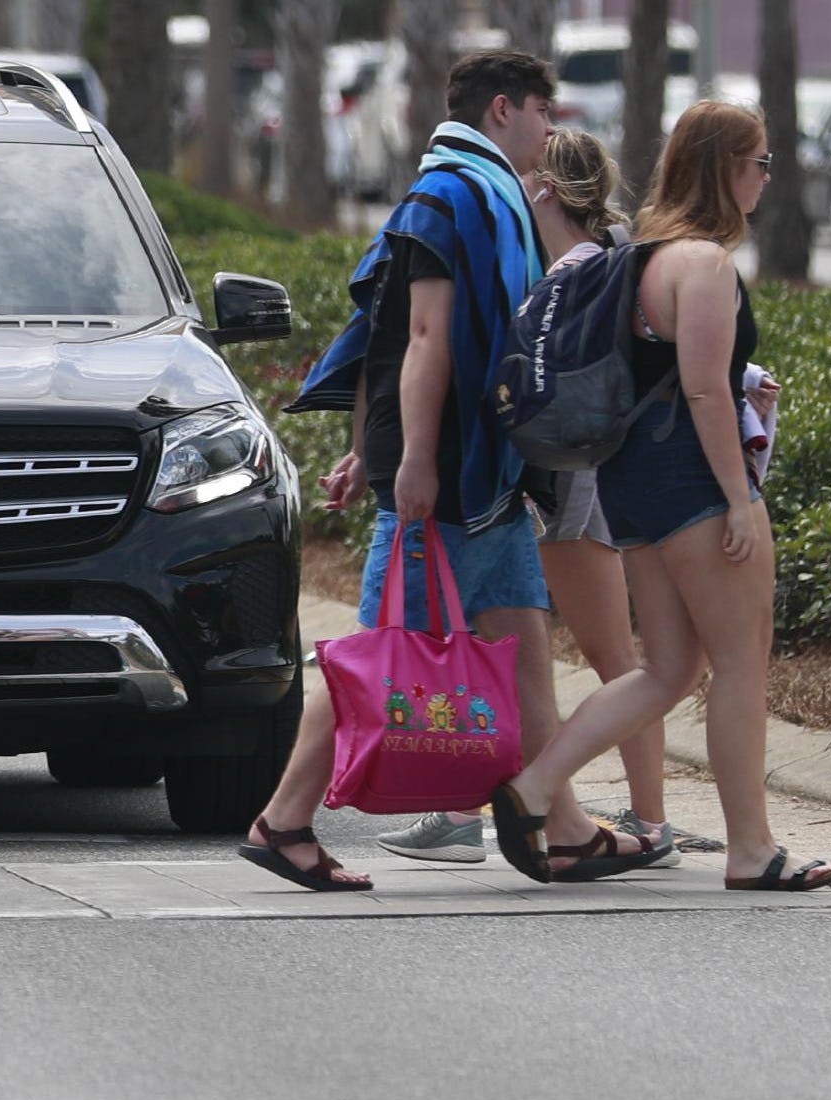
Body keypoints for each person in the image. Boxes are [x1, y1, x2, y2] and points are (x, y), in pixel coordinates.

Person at [241, 52, 661, 892]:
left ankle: (567, 826)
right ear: (503, 109)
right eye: (543, 111)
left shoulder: (471, 189)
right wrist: (414, 459)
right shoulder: (451, 194)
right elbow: (424, 336)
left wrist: (373, 447)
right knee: (377, 651)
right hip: (451, 474)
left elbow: (383, 332)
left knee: (523, 645)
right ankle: (284, 821)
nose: (551, 128)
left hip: (482, 474)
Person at [488, 102, 831, 893]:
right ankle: (752, 852)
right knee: (741, 663)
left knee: (668, 670)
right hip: (694, 487)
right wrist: (740, 500)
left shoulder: (642, 255)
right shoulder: (704, 264)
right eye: (760, 163)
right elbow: (707, 394)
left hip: (632, 488)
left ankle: (537, 786)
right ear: (725, 168)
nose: (765, 179)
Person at [374, 128, 712, 867]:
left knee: (609, 653)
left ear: (544, 189)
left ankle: (649, 822)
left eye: (525, 179)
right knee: (511, 647)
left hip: (571, 483)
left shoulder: (580, 265)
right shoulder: (586, 256)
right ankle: (469, 810)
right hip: (557, 479)